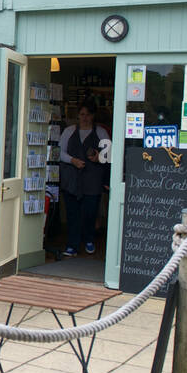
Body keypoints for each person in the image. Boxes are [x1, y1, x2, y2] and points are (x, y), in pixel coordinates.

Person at [58, 98, 111, 257]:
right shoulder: (69, 131)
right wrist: (72, 160)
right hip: (72, 178)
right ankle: (72, 245)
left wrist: (98, 157)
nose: (85, 117)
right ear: (78, 115)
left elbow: (108, 154)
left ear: (93, 115)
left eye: (88, 114)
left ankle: (89, 239)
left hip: (92, 178)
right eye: (82, 114)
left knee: (90, 212)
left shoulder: (101, 132)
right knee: (72, 212)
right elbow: (59, 152)